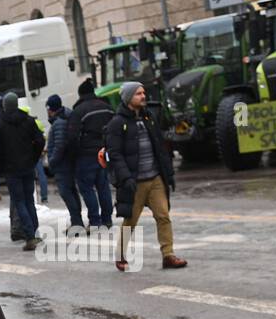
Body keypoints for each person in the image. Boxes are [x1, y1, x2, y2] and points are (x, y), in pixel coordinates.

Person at [105, 81, 188, 271]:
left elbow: (160, 147)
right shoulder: (117, 123)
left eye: (143, 93)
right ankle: (120, 255)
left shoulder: (149, 117)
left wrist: (169, 174)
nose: (143, 96)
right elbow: (115, 154)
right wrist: (126, 178)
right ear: (127, 98)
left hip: (155, 178)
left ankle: (168, 255)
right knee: (130, 221)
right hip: (135, 182)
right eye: (138, 94)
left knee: (163, 216)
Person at [0, 91, 46, 251]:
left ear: (4, 106)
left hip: (11, 170)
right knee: (29, 201)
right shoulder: (28, 121)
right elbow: (40, 140)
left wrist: (0, 166)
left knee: (19, 202)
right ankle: (34, 232)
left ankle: (30, 237)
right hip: (27, 167)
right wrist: (33, 158)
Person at [68, 77, 115, 228]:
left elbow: (72, 137)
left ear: (81, 94)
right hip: (105, 154)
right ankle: (107, 219)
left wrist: (73, 156)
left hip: (86, 156)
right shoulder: (107, 107)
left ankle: (95, 221)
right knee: (103, 187)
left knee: (87, 189)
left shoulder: (78, 111)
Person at [45, 94, 84, 232]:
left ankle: (77, 223)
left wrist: (52, 160)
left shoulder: (59, 123)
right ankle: (76, 221)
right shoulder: (64, 118)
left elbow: (60, 145)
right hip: (67, 163)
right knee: (71, 191)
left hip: (62, 164)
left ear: (51, 109)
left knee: (67, 192)